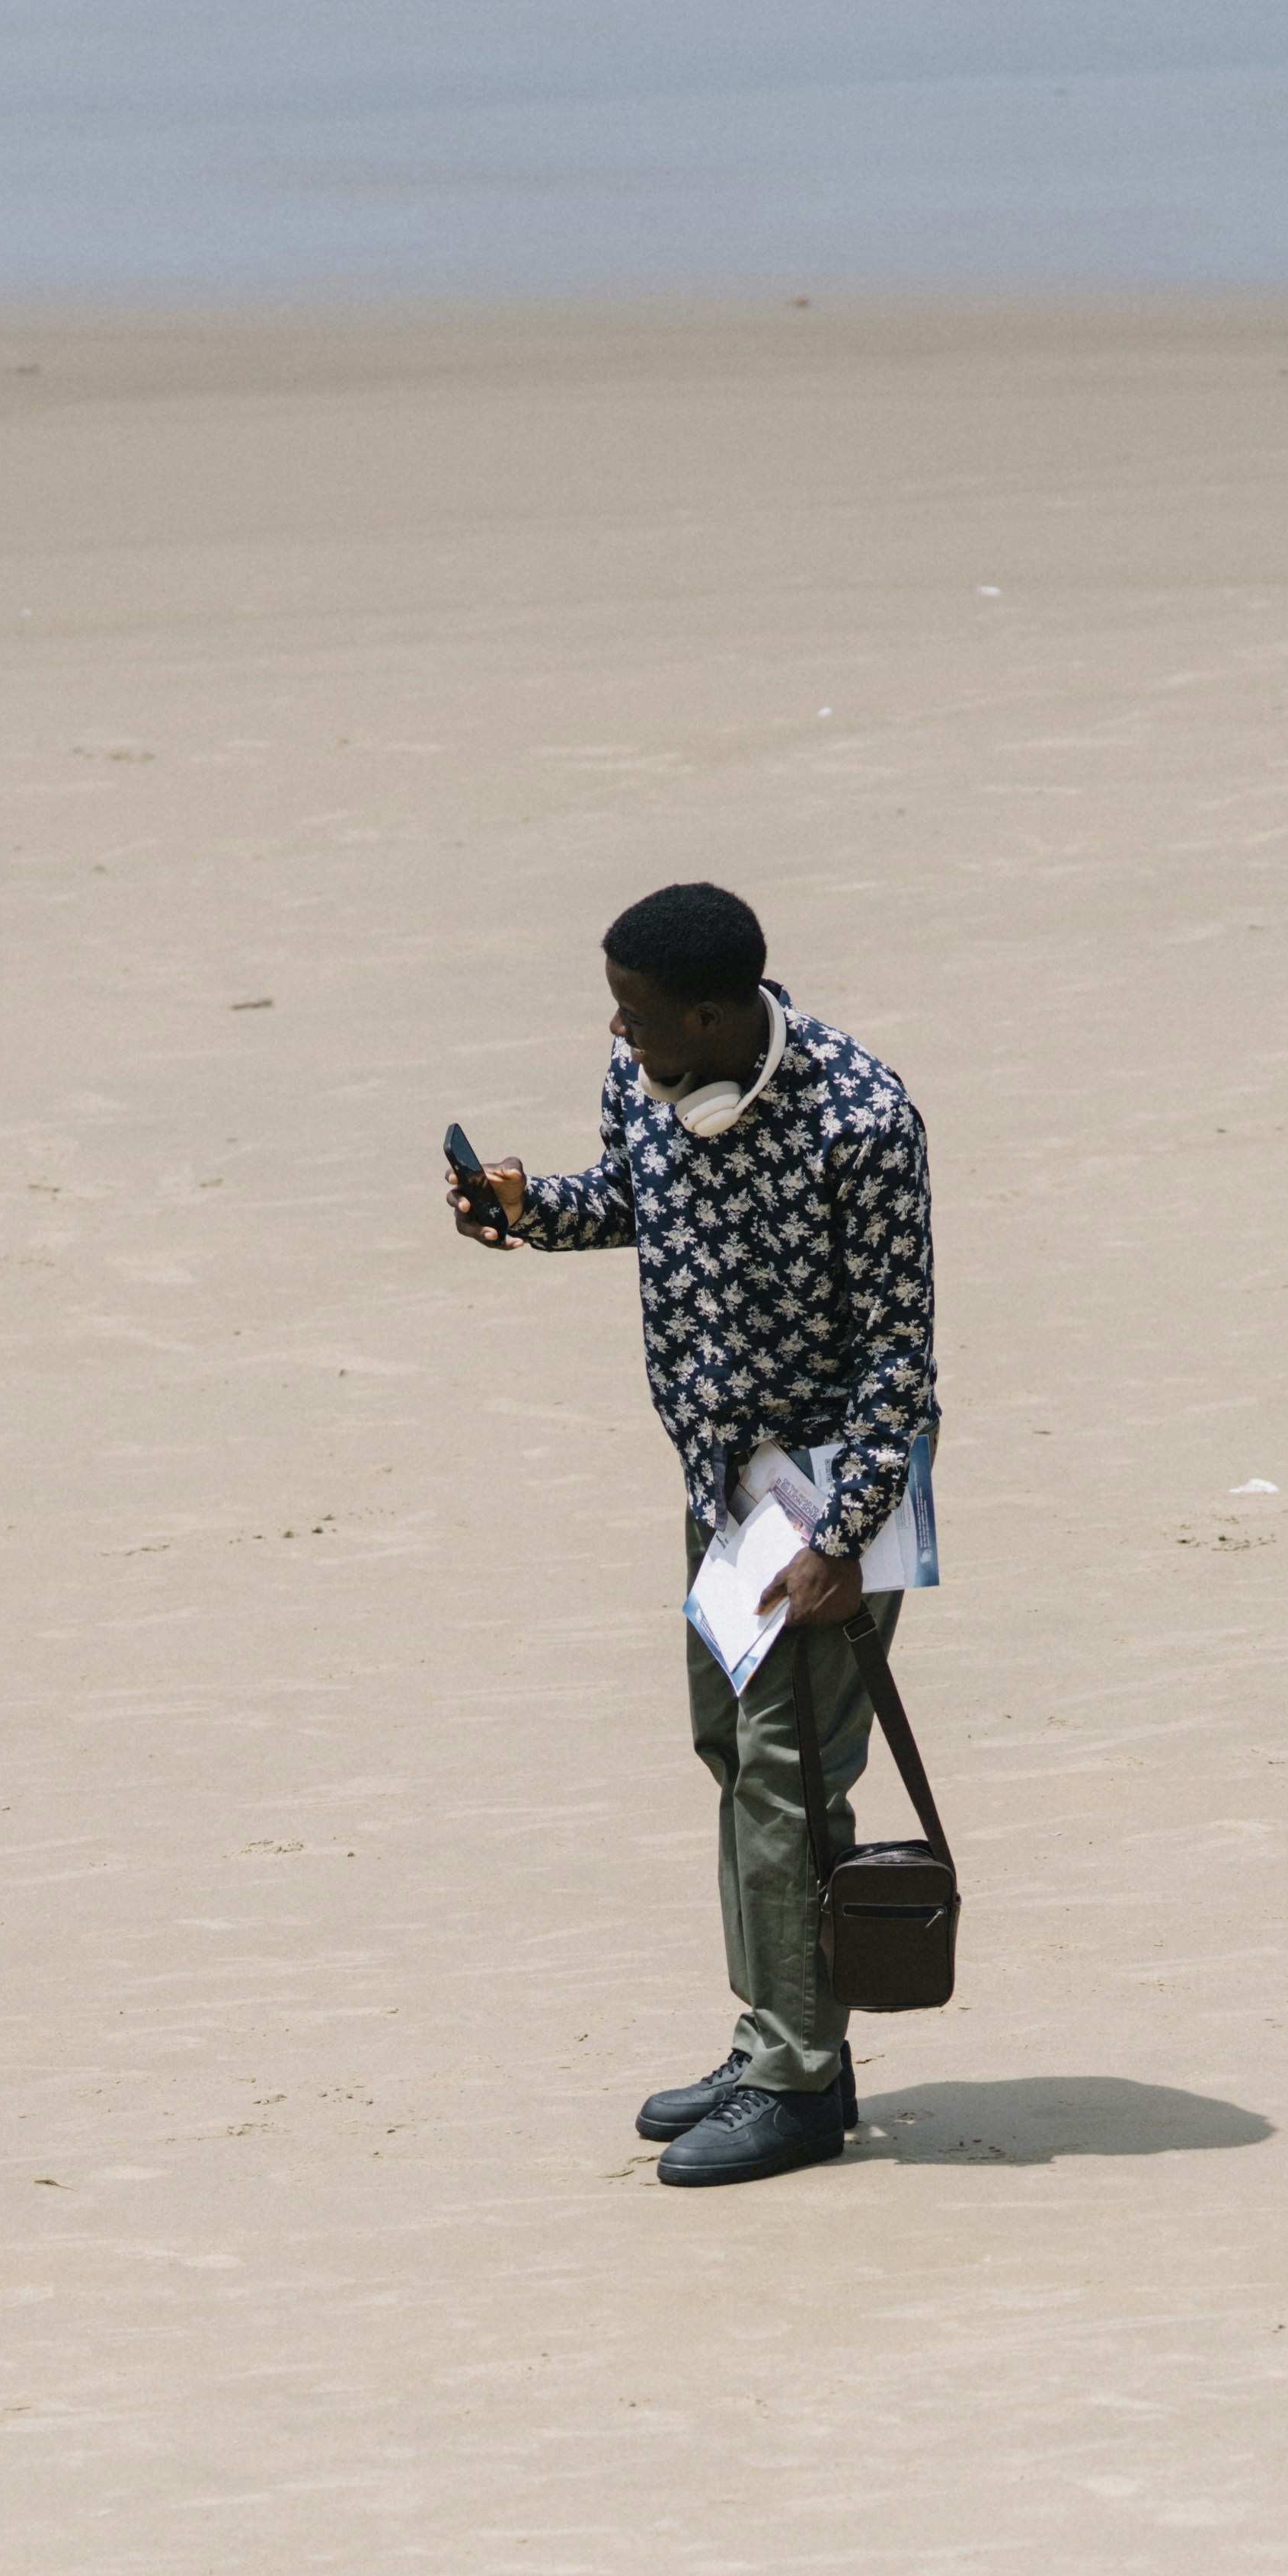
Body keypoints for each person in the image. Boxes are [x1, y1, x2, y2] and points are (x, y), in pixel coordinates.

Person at [452, 882, 941, 2189]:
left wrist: (842, 1535)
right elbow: (634, 1203)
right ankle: (781, 2035)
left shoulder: (863, 1120)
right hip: (724, 1488)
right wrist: (527, 1207)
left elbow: (901, 1357)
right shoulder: (645, 1084)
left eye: (638, 1017)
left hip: (833, 1497)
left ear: (713, 1015)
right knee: (735, 1750)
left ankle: (794, 2076)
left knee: (786, 1770)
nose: (619, 1039)